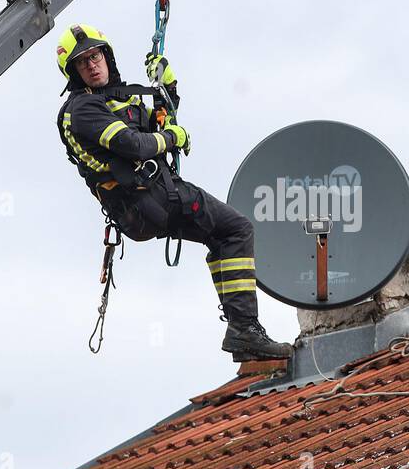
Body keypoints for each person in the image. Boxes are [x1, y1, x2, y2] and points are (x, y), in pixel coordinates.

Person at [54, 23, 292, 361]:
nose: (92, 65)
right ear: (74, 73)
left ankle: (244, 331)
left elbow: (161, 119)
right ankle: (245, 329)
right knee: (236, 229)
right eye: (83, 62)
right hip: (149, 199)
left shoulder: (118, 102)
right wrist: (173, 138)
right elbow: (135, 145)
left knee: (225, 236)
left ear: (106, 56)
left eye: (95, 56)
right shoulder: (82, 110)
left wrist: (168, 85)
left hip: (152, 201)